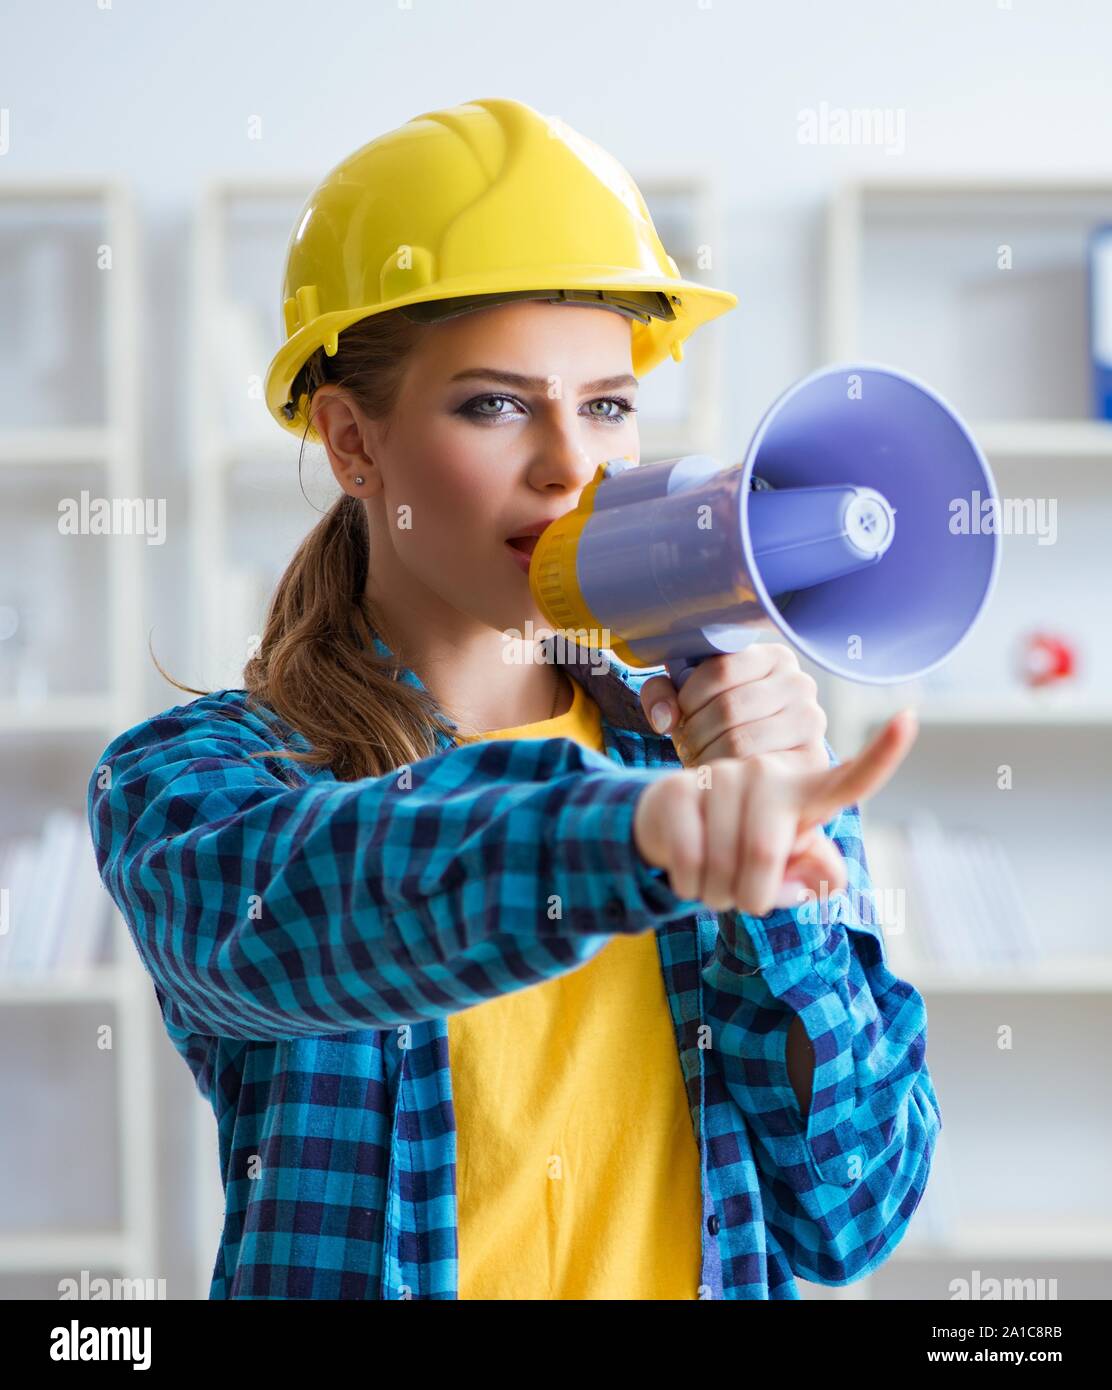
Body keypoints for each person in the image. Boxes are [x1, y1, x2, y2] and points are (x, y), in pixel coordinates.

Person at [87, 96, 939, 1300]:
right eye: (494, 403)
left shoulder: (713, 757)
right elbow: (316, 905)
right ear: (351, 443)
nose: (570, 464)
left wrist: (775, 867)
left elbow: (849, 1216)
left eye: (604, 403)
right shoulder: (193, 783)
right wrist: (636, 835)